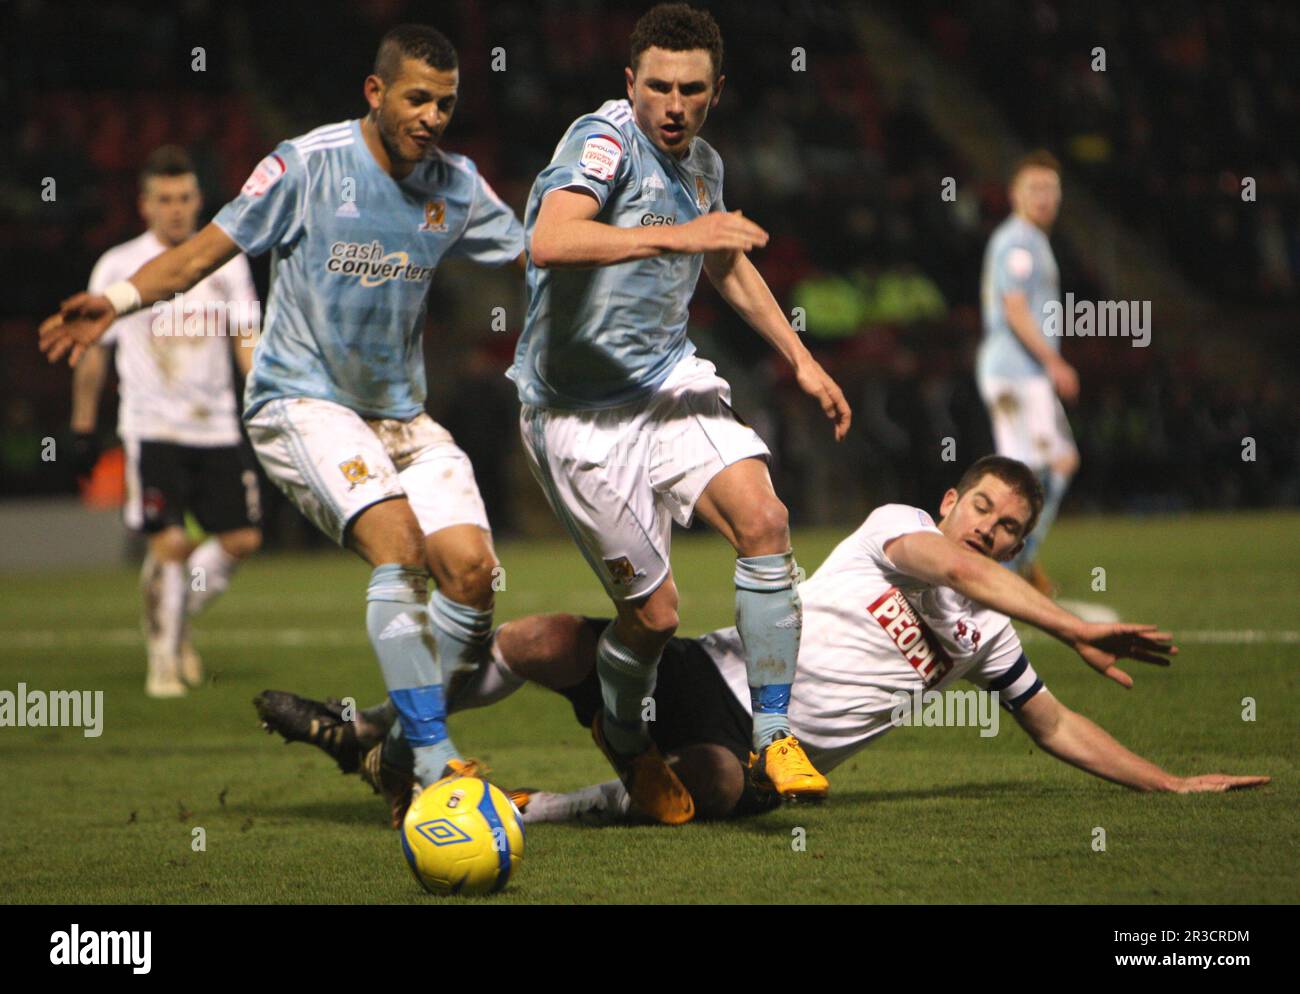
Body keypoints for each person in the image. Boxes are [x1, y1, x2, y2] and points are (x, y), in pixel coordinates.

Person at [256, 455, 1268, 826]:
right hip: (712, 674)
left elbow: (1054, 727)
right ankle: (374, 726)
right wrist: (1074, 619)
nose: (988, 533)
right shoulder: (896, 531)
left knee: (722, 789)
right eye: (985, 511)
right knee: (542, 633)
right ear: (954, 499)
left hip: (761, 754)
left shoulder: (986, 636)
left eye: (1009, 529)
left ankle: (532, 807)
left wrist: (1170, 785)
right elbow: (953, 571)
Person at [40, 25, 525, 788]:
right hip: (302, 401)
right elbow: (203, 252)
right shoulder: (305, 165)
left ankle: (381, 748)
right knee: (399, 548)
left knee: (472, 576)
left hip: (402, 416)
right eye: (418, 98)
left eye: (447, 102)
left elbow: (538, 253)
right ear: (376, 92)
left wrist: (644, 244)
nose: (433, 116)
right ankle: (433, 764)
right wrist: (118, 300)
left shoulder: (455, 185)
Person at [507, 2, 852, 823]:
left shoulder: (703, 166)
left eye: (690, 90)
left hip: (666, 384)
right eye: (656, 86)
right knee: (654, 620)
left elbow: (725, 260)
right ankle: (624, 735)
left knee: (765, 518)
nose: (672, 104)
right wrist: (680, 237)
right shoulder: (601, 141)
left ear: (715, 92)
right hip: (577, 416)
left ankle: (773, 733)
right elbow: (552, 241)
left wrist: (800, 359)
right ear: (630, 84)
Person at [69, 145, 262, 698]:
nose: (176, 209)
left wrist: (264, 398)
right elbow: (94, 351)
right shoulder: (117, 265)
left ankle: (174, 619)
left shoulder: (227, 262)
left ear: (200, 200)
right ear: (144, 205)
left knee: (242, 539)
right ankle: (163, 661)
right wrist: (83, 428)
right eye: (164, 199)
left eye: (184, 198)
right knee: (171, 543)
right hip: (151, 427)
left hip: (217, 425)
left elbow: (246, 337)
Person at [977, 150, 1079, 596]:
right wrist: (1054, 361)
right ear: (1015, 194)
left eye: (1050, 190)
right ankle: (994, 563)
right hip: (1016, 370)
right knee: (1027, 473)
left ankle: (1018, 558)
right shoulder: (1018, 241)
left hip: (1025, 372)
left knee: (1054, 463)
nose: (1044, 197)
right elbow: (1014, 307)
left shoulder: (1031, 240)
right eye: (1034, 188)